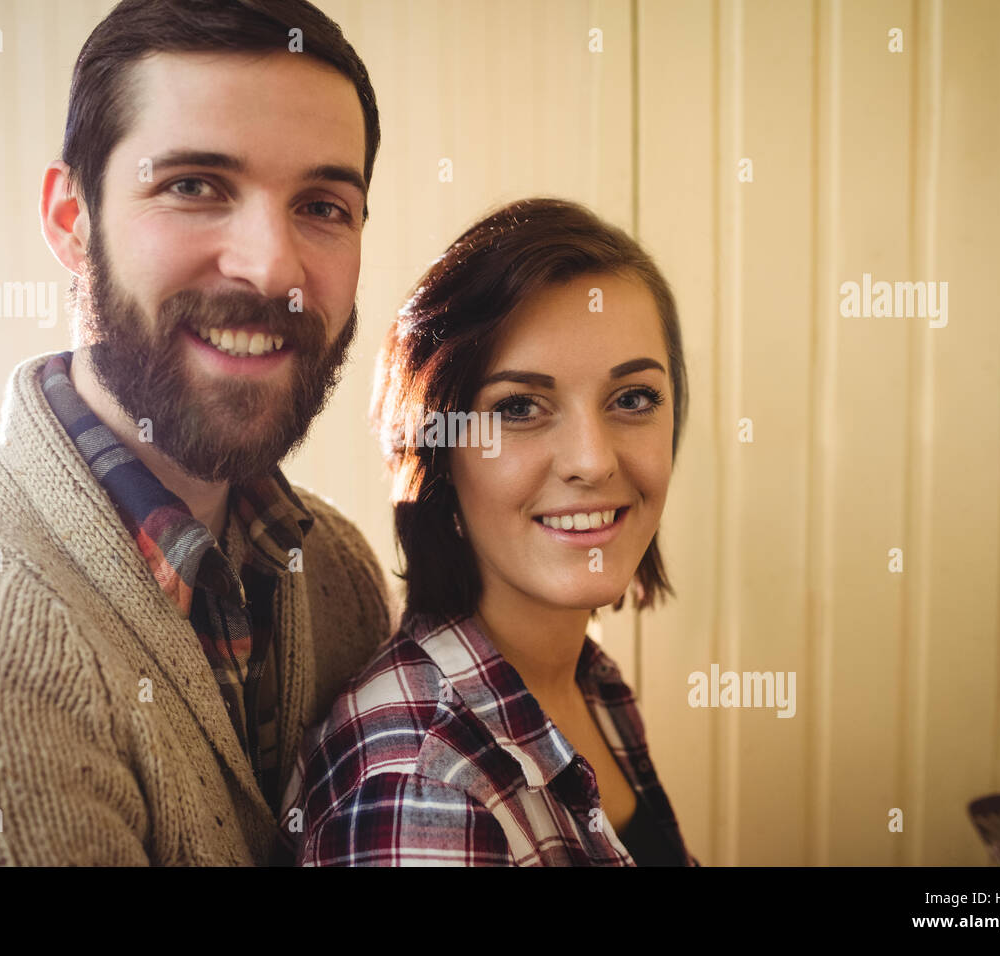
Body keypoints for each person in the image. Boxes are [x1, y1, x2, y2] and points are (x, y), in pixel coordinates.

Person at [0, 0, 390, 866]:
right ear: (72, 222)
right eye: (194, 186)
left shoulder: (340, 573)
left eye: (324, 205)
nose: (271, 267)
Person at [281, 197, 699, 866]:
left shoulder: (591, 681)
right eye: (521, 407)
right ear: (438, 453)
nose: (593, 460)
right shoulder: (422, 790)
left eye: (632, 399)